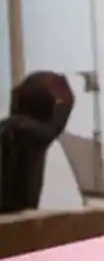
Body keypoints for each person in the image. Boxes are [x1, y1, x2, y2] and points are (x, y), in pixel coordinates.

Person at [0, 71, 75, 213]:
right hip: (12, 219)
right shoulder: (33, 133)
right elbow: (55, 126)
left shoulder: (8, 126)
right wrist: (66, 98)